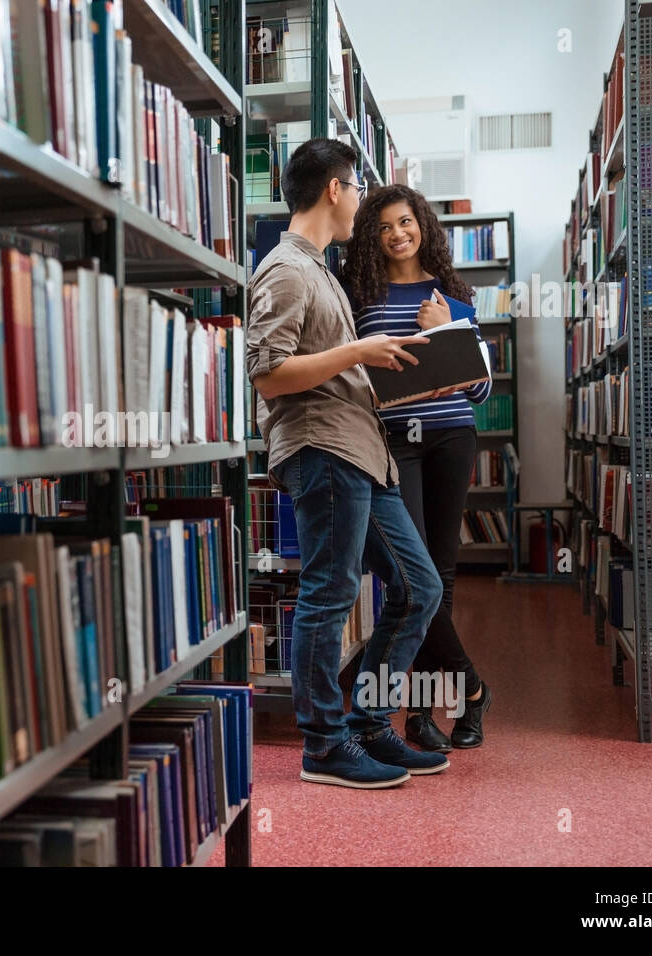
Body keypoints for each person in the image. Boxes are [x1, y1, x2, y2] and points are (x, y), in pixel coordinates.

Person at [246, 139, 448, 789]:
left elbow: (323, 364)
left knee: (420, 588)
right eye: (358, 187)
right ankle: (325, 746)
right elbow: (269, 375)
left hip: (364, 451)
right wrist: (358, 351)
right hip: (323, 448)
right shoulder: (285, 270)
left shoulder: (320, 269)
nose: (363, 199)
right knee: (328, 596)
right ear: (335, 189)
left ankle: (366, 723)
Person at [342, 183, 494, 751]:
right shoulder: (362, 294)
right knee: (414, 576)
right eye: (383, 227)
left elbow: (480, 388)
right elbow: (358, 370)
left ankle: (423, 716)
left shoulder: (453, 294)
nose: (397, 234)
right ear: (371, 237)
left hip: (452, 436)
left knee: (442, 576)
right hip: (395, 442)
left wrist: (445, 326)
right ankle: (475, 692)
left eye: (405, 222)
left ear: (423, 225)